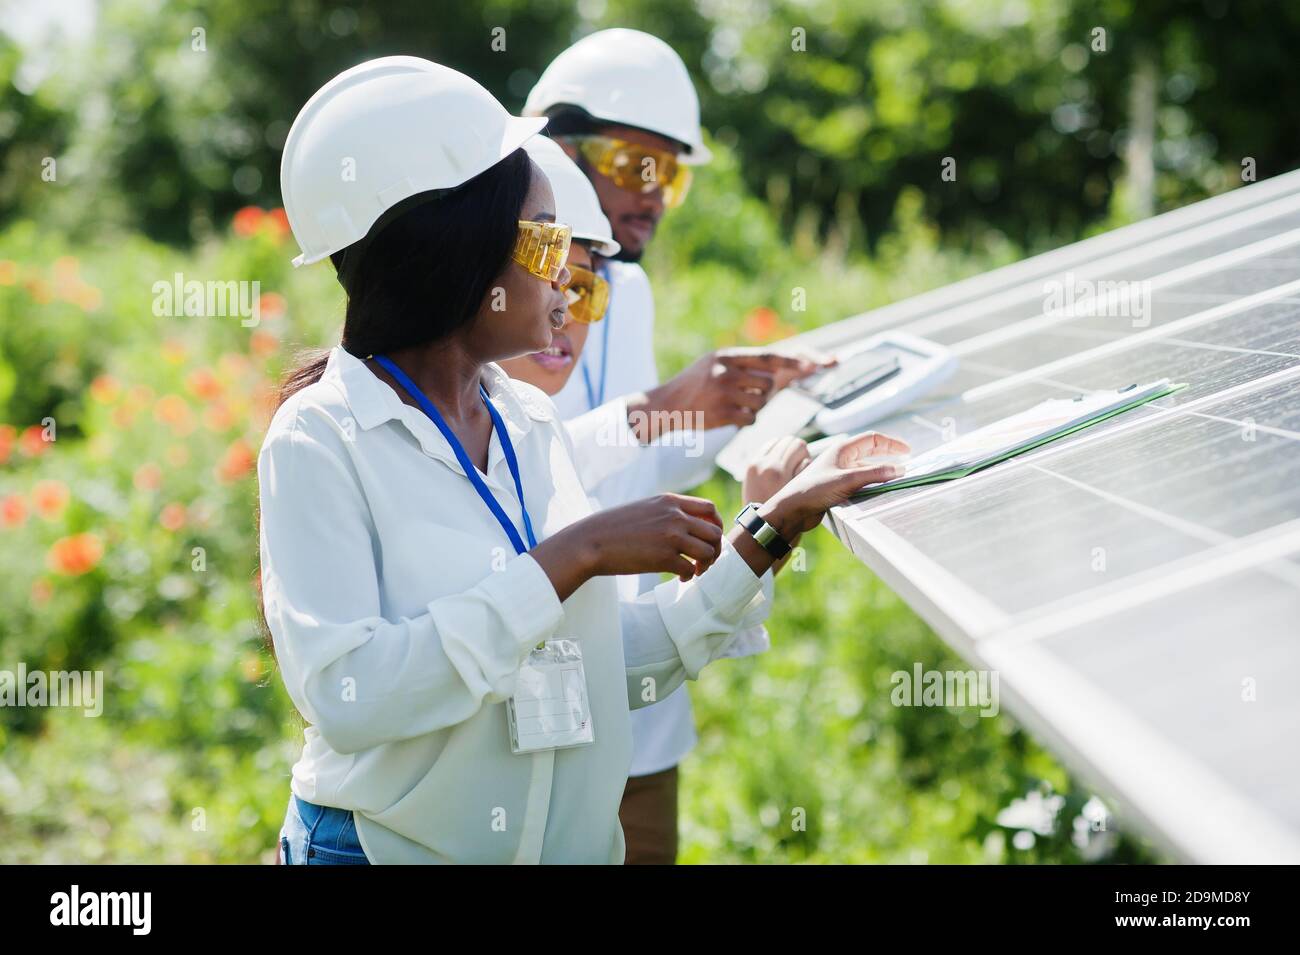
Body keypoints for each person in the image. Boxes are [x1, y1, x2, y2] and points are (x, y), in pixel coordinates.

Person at [263, 56, 908, 865]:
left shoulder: (526, 420)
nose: (569, 288)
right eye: (546, 244)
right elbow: (351, 694)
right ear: (456, 255)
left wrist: (768, 531)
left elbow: (601, 670)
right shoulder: (318, 438)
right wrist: (577, 554)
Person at [523, 27, 833, 862]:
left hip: (639, 698)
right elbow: (519, 469)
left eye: (672, 173)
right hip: (525, 715)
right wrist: (661, 404)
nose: (655, 194)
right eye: (636, 165)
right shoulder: (503, 285)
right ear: (555, 147)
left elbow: (631, 472)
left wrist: (733, 415)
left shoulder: (626, 288)